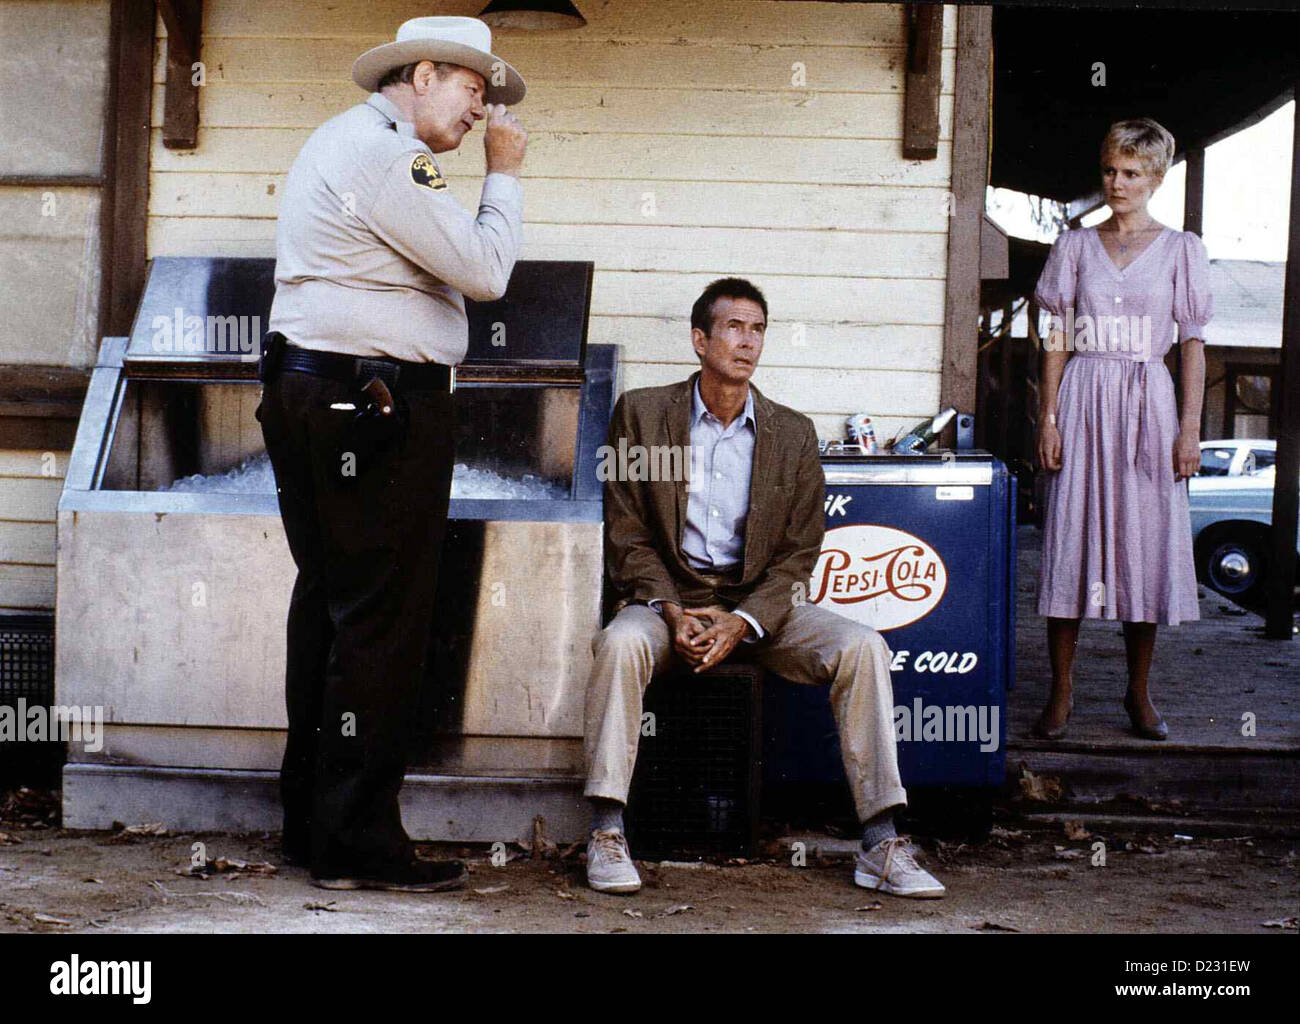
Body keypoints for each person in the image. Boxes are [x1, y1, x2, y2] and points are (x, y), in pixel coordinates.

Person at [257, 16, 528, 891]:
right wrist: (505, 179)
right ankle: (359, 843)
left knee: (332, 605)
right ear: (421, 74)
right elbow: (486, 270)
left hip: (314, 390)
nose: (482, 111)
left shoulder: (344, 143)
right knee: (381, 621)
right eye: (472, 89)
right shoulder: (388, 155)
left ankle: (314, 825)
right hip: (371, 403)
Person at [581, 277, 945, 899]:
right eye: (733, 328)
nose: (747, 343)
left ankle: (881, 841)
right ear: (699, 339)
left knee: (862, 646)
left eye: (757, 330)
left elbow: (800, 554)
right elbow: (626, 529)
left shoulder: (792, 434)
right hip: (669, 600)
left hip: (760, 609)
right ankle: (607, 830)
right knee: (619, 646)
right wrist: (670, 608)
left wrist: (745, 620)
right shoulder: (641, 413)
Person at [1033, 117, 1211, 742]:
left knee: (1145, 542)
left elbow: (1191, 344)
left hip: (1148, 403)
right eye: (1110, 169)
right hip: (1083, 397)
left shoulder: (1181, 248)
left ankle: (1138, 693)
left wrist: (1188, 430)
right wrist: (1047, 417)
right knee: (1069, 537)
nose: (1117, 182)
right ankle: (1061, 692)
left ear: (1156, 178)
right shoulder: (1074, 247)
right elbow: (1055, 334)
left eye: (1132, 173)